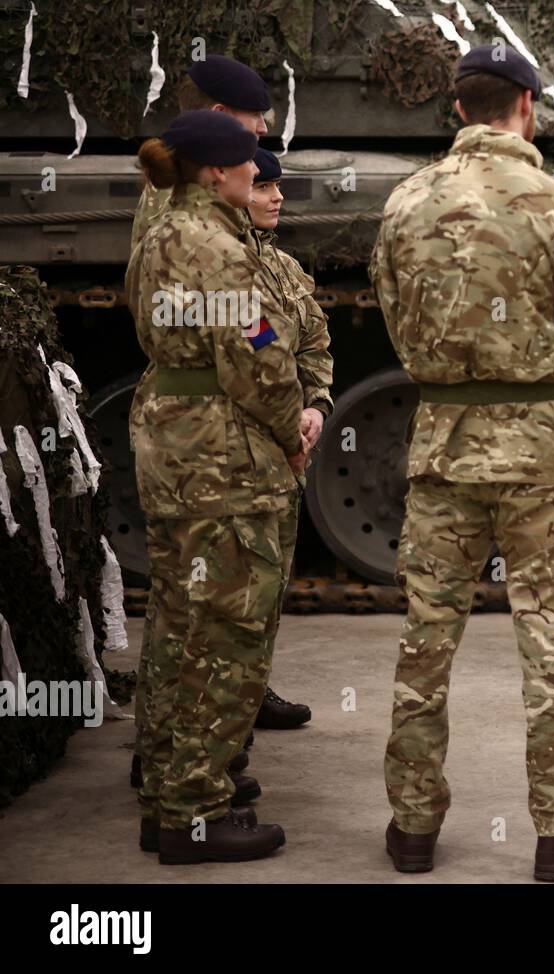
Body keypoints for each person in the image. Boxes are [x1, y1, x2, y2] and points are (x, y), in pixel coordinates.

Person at [370, 45, 554, 882]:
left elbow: (398, 327)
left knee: (425, 640)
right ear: (527, 104)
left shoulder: (405, 203)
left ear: (456, 112)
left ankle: (411, 828)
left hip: (443, 444)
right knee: (548, 639)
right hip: (541, 451)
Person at [128, 54, 307, 806]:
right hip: (219, 454)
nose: (257, 172)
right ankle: (191, 802)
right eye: (246, 162)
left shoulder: (158, 233)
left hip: (167, 441)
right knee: (220, 627)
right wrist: (291, 425)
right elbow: (258, 359)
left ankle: (165, 773)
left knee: (175, 616)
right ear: (214, 173)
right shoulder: (219, 250)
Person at [245, 146, 335, 695]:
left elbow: (314, 343)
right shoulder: (221, 266)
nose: (276, 196)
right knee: (238, 582)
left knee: (274, 574)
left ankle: (254, 688)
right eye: (262, 186)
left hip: (286, 443)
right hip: (243, 444)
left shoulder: (283, 268)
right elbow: (253, 356)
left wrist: (316, 406)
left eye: (278, 186)